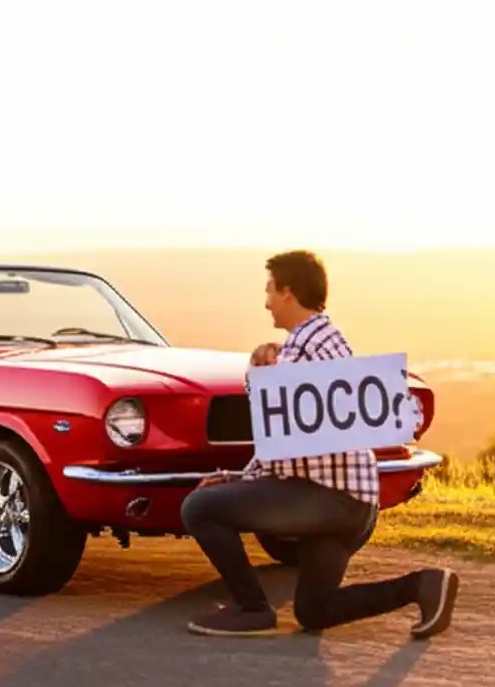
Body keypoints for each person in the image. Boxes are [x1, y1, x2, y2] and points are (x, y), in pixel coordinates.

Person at [180, 249, 459, 639]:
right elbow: (295, 442)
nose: (266, 303)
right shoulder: (327, 340)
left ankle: (251, 608)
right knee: (315, 610)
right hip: (355, 504)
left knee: (200, 508)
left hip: (327, 500)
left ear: (289, 292)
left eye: (270, 291)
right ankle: (423, 586)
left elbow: (283, 452)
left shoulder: (301, 350)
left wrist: (230, 478)